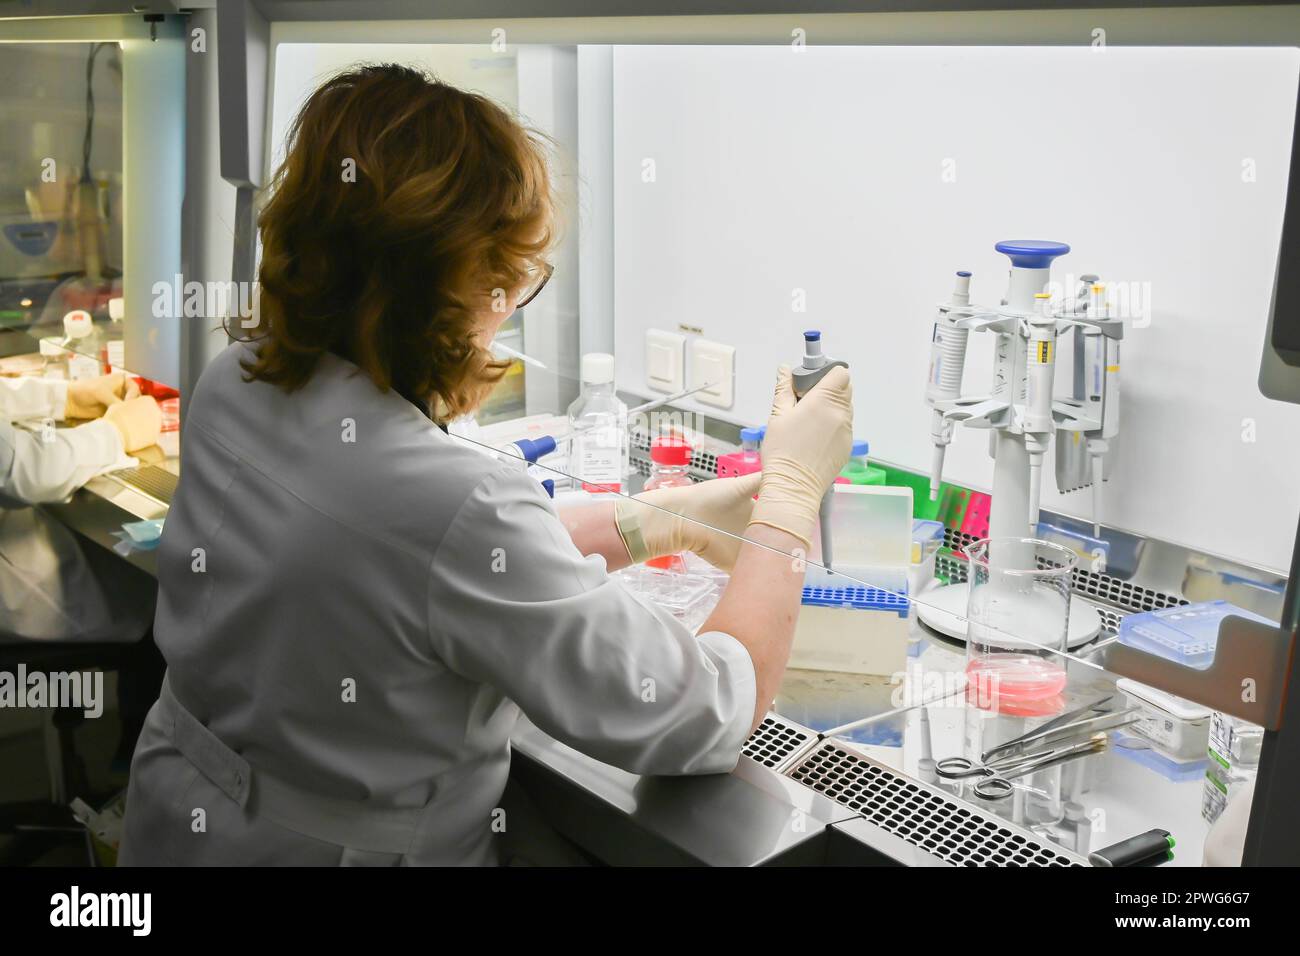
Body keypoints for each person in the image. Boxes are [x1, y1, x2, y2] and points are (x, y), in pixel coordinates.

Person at [119, 65, 853, 866]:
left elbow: (422, 559)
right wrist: (788, 497)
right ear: (446, 286)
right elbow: (703, 711)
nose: (504, 310)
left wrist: (657, 523)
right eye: (503, 282)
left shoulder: (238, 381)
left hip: (178, 815)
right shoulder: (447, 500)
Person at [0, 372, 161, 641]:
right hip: (17, 589)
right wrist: (116, 432)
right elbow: (25, 469)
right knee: (158, 599)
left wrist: (65, 399)